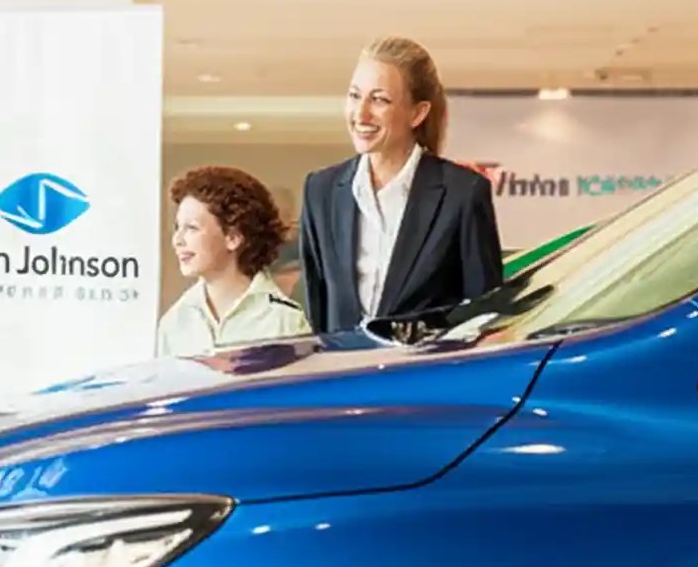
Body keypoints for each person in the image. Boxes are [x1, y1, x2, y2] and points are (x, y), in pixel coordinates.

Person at [299, 36, 503, 334]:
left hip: (424, 376)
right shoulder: (321, 191)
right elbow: (318, 310)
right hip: (345, 373)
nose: (361, 114)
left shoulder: (462, 193)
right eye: (355, 96)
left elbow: (484, 315)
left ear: (418, 113)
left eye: (379, 99)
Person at [158, 166, 311, 356]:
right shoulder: (173, 323)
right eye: (177, 228)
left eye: (192, 228)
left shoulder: (283, 321)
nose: (177, 240)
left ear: (233, 237)